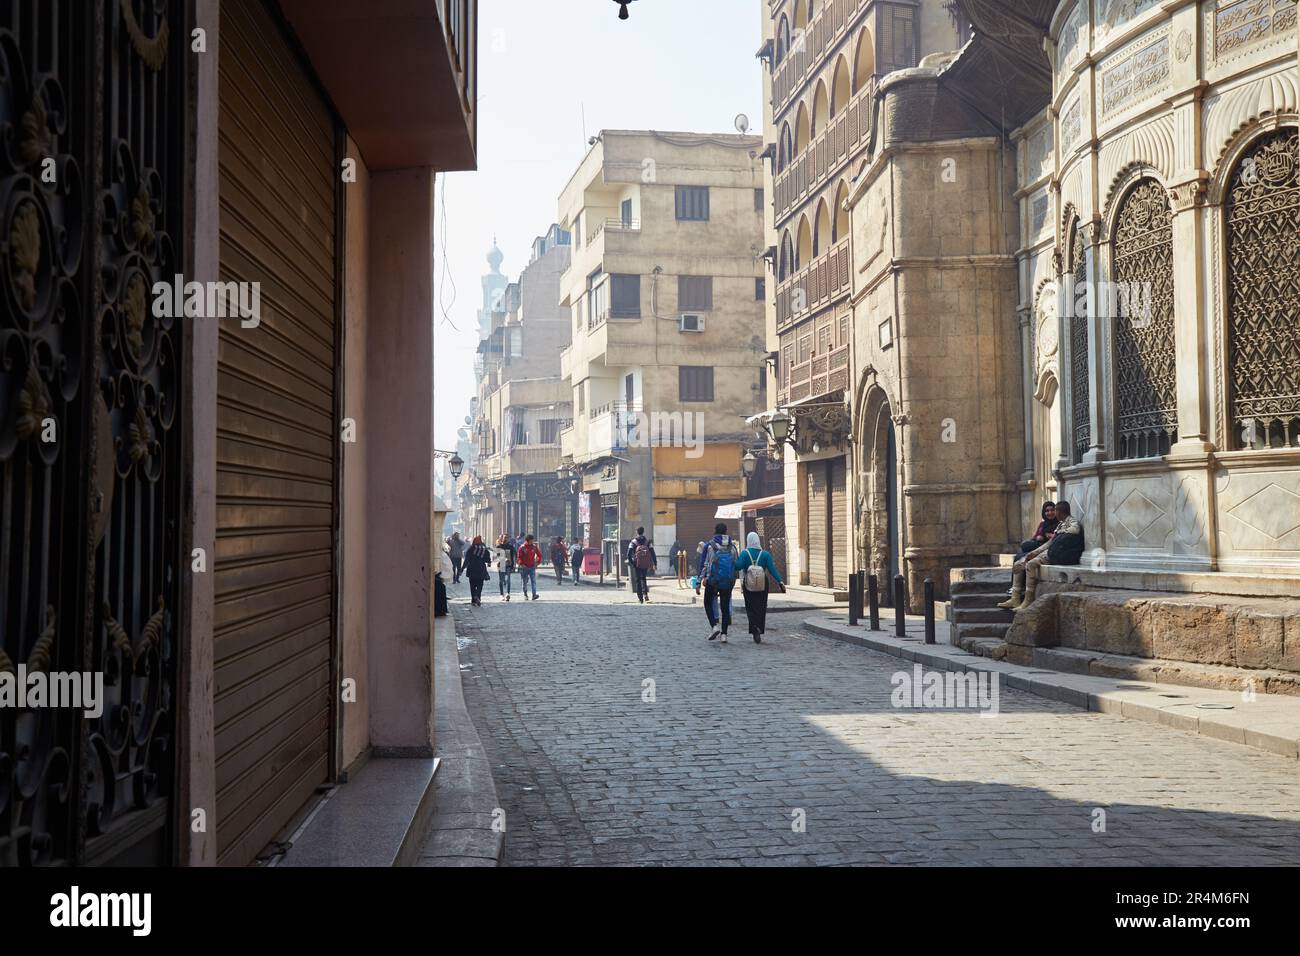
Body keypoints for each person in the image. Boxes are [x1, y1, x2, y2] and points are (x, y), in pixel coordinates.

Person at [999, 500, 1085, 611]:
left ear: (1059, 511)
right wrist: (1034, 553)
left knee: (1030, 565)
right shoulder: (1060, 524)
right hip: (1050, 551)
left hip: (1060, 555)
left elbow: (1075, 529)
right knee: (1019, 563)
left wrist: (1059, 534)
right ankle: (1015, 598)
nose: (1053, 513)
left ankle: (1028, 600)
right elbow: (1049, 543)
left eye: (1054, 510)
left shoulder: (1072, 522)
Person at [737, 532, 784, 643]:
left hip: (749, 583)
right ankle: (759, 627)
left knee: (750, 607)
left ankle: (754, 629)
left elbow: (737, 566)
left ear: (748, 541)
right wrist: (780, 582)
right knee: (761, 607)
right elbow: (772, 569)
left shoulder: (744, 553)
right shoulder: (765, 554)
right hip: (763, 584)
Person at [696, 523, 739, 642]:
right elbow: (736, 564)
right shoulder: (732, 547)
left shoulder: (709, 546)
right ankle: (724, 634)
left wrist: (698, 582)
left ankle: (714, 626)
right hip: (727, 582)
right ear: (726, 532)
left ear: (715, 531)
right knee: (725, 608)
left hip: (712, 580)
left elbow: (704, 565)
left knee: (707, 603)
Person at [626, 526, 657, 604]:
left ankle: (640, 598)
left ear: (637, 532)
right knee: (644, 578)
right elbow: (653, 553)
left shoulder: (633, 542)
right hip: (646, 563)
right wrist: (654, 563)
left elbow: (628, 554)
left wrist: (632, 563)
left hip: (637, 563)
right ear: (643, 532)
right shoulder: (647, 542)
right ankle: (645, 594)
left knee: (638, 580)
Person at [463, 535, 491, 607]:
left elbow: (467, 560)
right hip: (481, 569)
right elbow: (487, 559)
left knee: (472, 585)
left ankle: (473, 599)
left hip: (472, 569)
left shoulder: (471, 548)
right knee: (480, 585)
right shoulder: (484, 549)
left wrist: (462, 568)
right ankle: (478, 596)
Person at [517, 533, 543, 600]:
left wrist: (537, 562)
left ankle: (534, 594)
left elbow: (539, 555)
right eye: (531, 540)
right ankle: (525, 594)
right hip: (524, 567)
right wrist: (521, 564)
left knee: (533, 581)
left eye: (533, 540)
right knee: (524, 581)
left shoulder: (534, 547)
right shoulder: (522, 547)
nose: (532, 542)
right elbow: (519, 557)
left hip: (532, 567)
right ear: (527, 540)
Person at [494, 533, 516, 601]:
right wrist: (504, 558)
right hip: (501, 564)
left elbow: (512, 556)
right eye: (504, 537)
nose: (505, 539)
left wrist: (513, 565)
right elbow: (498, 555)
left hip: (508, 565)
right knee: (501, 580)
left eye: (507, 537)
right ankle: (501, 594)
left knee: (508, 580)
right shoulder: (499, 546)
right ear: (502, 538)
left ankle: (508, 594)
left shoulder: (511, 547)